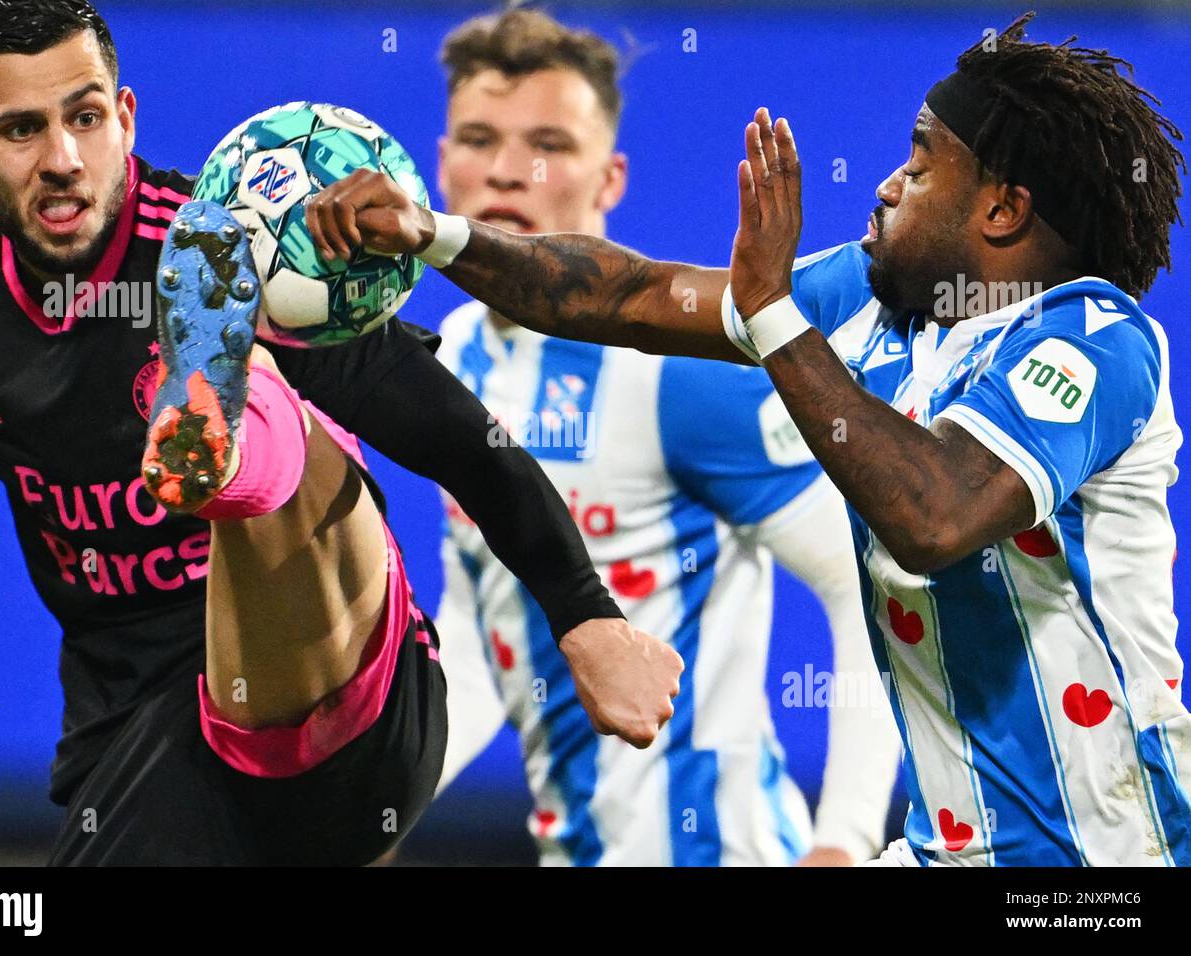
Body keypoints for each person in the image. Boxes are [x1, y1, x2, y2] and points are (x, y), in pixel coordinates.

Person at [307, 12, 1189, 866]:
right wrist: (434, 236)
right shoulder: (874, 303)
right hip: (946, 852)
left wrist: (771, 312)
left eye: (920, 170)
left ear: (1001, 211)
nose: (886, 185)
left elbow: (937, 518)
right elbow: (627, 297)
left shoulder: (1096, 338)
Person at [0, 0, 681, 865]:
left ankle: (223, 417)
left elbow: (460, 439)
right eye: (19, 130)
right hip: (142, 727)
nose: (63, 160)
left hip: (352, 680)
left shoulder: (241, 248)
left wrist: (587, 618)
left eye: (84, 117)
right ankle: (218, 416)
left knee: (241, 349)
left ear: (124, 116)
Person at [427, 9, 898, 866]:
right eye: (478, 137)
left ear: (610, 181)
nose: (508, 170)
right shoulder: (453, 359)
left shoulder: (675, 375)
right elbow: (478, 628)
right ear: (439, 165)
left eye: (549, 143)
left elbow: (871, 590)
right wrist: (366, 805)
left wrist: (845, 842)